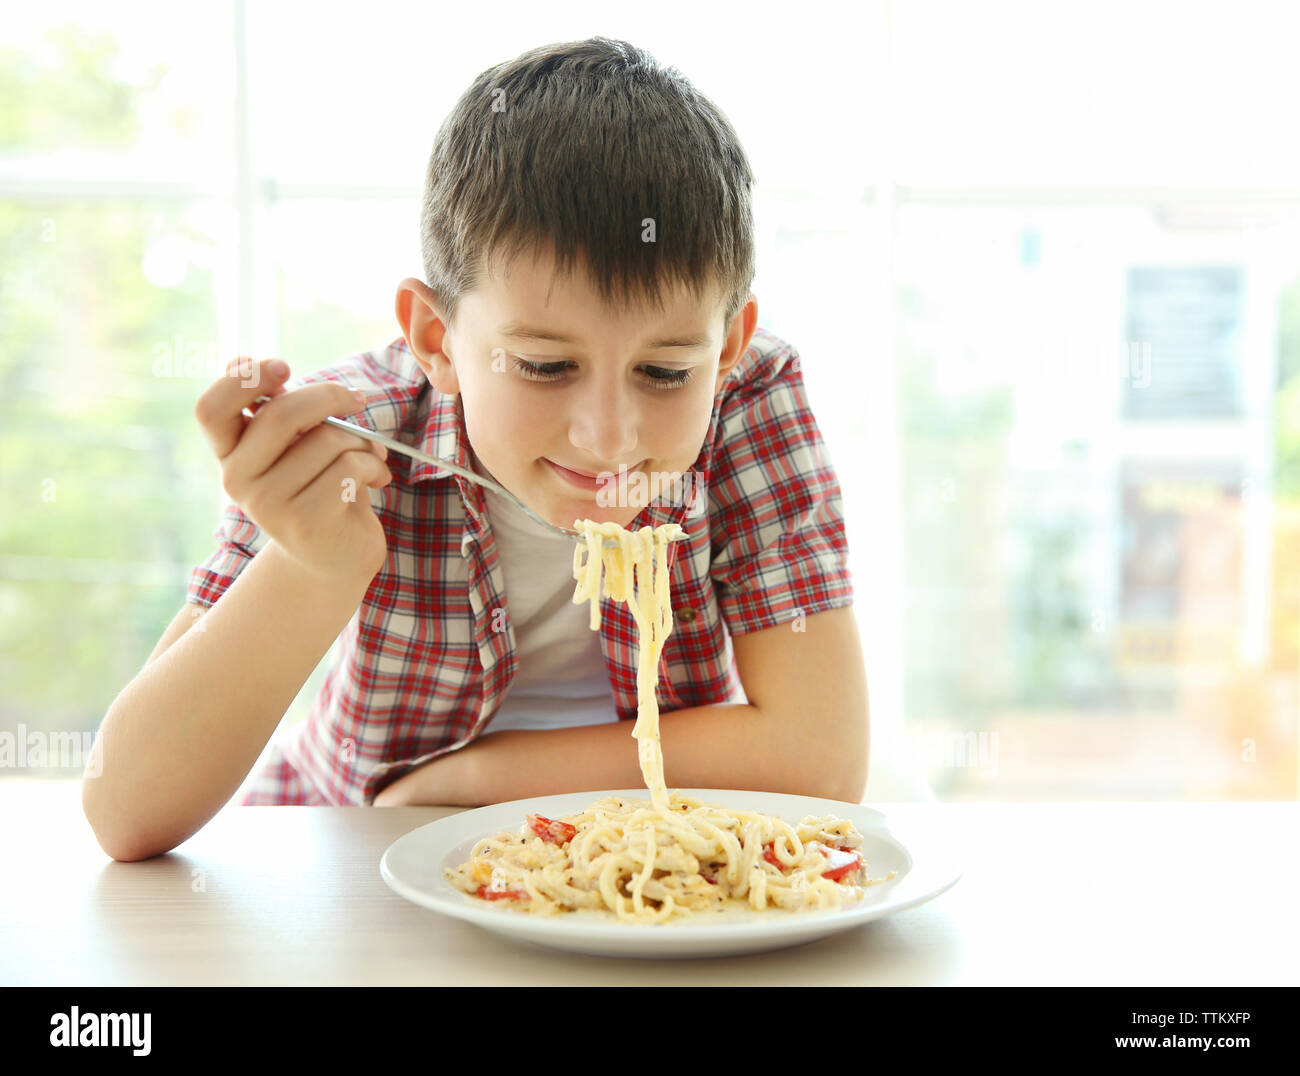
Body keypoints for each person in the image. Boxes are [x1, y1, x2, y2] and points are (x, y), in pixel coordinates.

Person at [82, 36, 868, 861]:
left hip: (646, 863)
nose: (609, 439)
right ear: (437, 338)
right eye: (544, 365)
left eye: (666, 372)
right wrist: (312, 570)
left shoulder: (747, 398)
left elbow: (819, 753)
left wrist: (470, 783)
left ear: (731, 343)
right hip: (355, 863)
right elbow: (125, 812)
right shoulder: (355, 440)